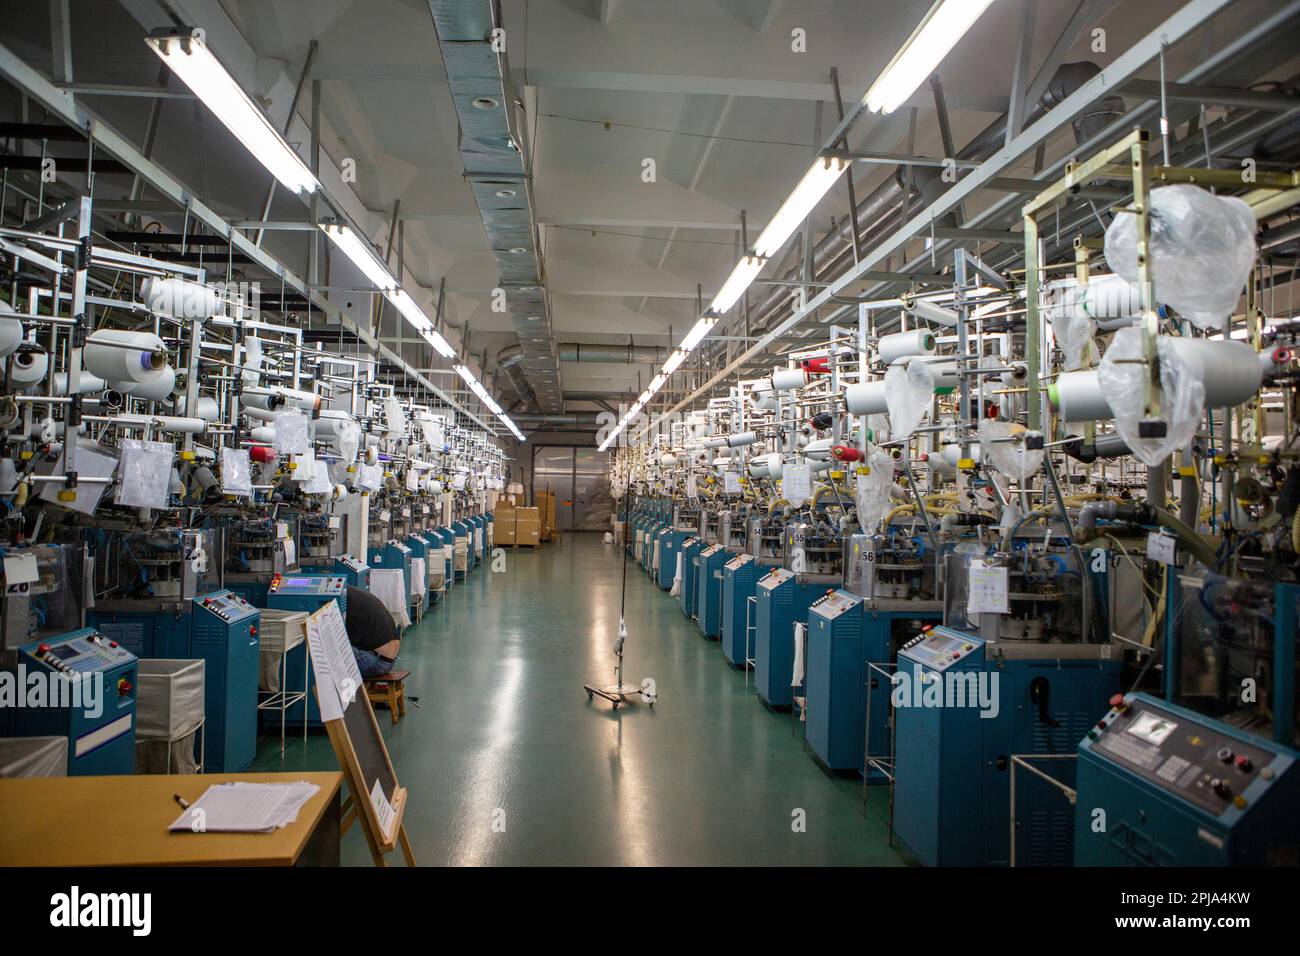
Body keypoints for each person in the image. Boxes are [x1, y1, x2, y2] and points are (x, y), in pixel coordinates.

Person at [344, 586, 401, 678]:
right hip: (391, 659)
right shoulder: (355, 593)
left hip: (376, 661)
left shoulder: (341, 599)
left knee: (328, 649)